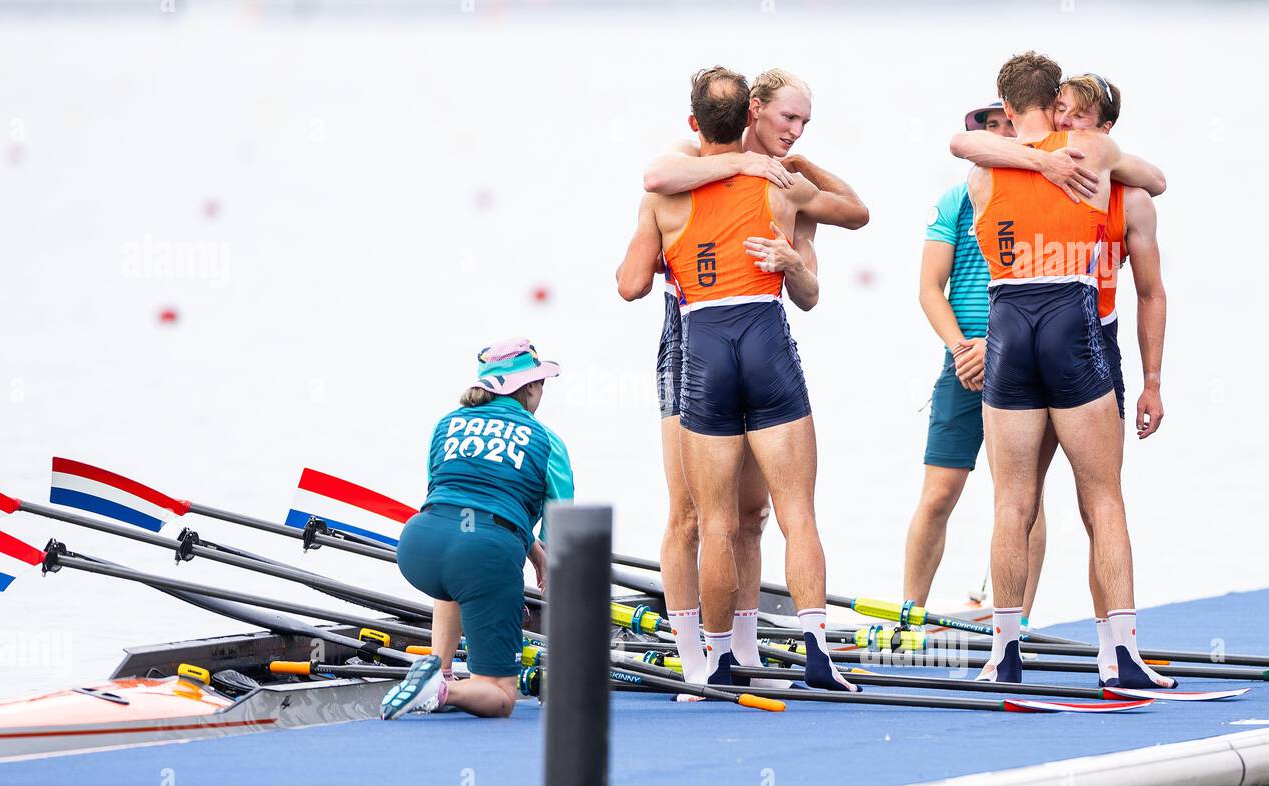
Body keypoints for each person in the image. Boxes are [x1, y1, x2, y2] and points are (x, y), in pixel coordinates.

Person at [622, 69, 867, 686]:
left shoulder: (670, 194)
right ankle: (815, 653)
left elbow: (629, 285)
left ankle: (721, 660)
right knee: (796, 511)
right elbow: (857, 214)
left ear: (695, 122)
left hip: (701, 349)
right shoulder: (779, 187)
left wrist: (665, 251)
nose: (794, 131)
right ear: (753, 115)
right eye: (790, 120)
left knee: (719, 522)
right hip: (764, 341)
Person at [956, 51, 1174, 688]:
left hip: (1008, 324)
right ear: (1055, 104)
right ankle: (1122, 658)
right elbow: (1157, 176)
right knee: (1102, 499)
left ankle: (1003, 654)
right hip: (1072, 324)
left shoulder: (981, 169)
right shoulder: (1091, 155)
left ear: (1005, 101)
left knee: (1011, 502)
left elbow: (964, 142)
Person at [903, 99, 1055, 627]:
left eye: (1006, 125)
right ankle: (910, 618)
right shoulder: (956, 199)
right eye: (989, 128)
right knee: (938, 493)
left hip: (1023, 361)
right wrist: (962, 349)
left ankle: (1022, 624)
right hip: (963, 362)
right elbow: (928, 289)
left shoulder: (1044, 192)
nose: (998, 135)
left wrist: (997, 348)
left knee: (1021, 499)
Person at [1047, 73, 1169, 683]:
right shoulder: (1030, 169)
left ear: (1106, 131)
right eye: (1059, 111)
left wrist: (1152, 381)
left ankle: (1114, 650)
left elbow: (1150, 291)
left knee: (1099, 505)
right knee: (1016, 500)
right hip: (1024, 347)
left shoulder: (1131, 196)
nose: (1065, 124)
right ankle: (1005, 647)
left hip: (1097, 343)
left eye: (1077, 116)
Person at [380, 339, 574, 718]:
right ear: (531, 388)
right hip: (483, 556)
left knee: (459, 568)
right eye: (541, 384)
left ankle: (440, 666)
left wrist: (528, 553)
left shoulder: (446, 423)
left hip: (418, 545)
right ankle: (442, 691)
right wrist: (536, 568)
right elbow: (562, 526)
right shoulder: (547, 439)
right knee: (501, 695)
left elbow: (448, 499)